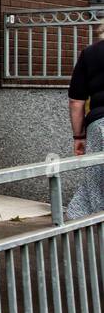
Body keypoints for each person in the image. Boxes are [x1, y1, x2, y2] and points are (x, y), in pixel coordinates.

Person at [67, 33, 104, 219]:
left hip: (99, 125)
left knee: (96, 182)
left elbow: (76, 101)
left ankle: (96, 227)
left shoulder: (90, 53)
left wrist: (79, 137)